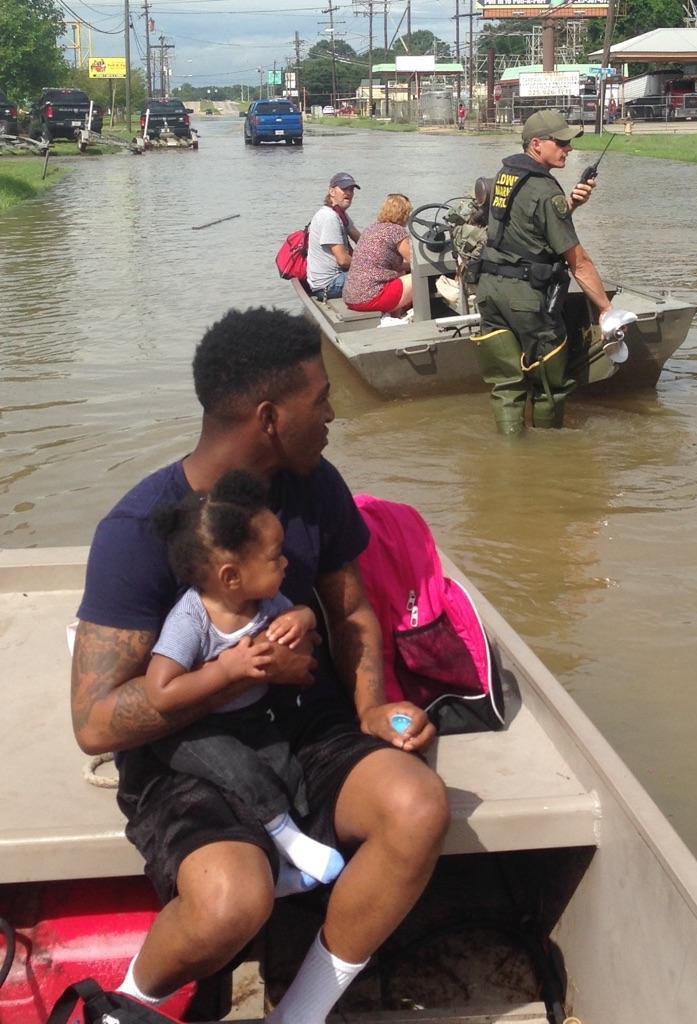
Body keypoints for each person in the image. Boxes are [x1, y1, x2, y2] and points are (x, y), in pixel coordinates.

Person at [71, 306, 450, 1017]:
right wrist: (233, 675)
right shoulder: (138, 531)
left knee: (418, 805)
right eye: (321, 399)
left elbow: (351, 612)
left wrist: (371, 706)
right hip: (190, 757)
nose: (333, 414)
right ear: (270, 419)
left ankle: (301, 1012)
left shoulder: (315, 485)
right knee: (229, 903)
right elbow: (95, 722)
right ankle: (126, 1001)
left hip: (308, 730)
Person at [145, 468, 343, 895]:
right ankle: (290, 842)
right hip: (196, 731)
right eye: (275, 557)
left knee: (285, 771)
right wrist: (226, 670)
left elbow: (303, 623)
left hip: (253, 719)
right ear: (231, 576)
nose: (286, 562)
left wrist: (304, 616)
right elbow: (159, 692)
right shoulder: (191, 619)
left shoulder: (267, 602)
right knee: (242, 770)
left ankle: (281, 867)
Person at [474, 108, 614, 432]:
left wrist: (571, 205)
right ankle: (549, 454)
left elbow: (525, 229)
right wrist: (606, 309)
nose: (568, 149)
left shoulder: (505, 175)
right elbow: (578, 262)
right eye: (561, 143)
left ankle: (509, 451)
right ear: (537, 144)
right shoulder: (546, 190)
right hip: (526, 297)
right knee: (549, 385)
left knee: (506, 384)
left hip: (490, 290)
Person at [342, 193, 413, 316]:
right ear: (404, 213)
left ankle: (395, 319)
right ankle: (423, 317)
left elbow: (393, 266)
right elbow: (415, 262)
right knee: (418, 279)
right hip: (370, 298)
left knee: (399, 273)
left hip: (351, 298)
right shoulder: (397, 231)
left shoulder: (371, 228)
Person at [306, 172, 362, 300]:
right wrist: (372, 265)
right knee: (385, 274)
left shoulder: (339, 214)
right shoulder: (329, 217)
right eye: (344, 189)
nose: (348, 193)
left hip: (336, 278)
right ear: (331, 191)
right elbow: (343, 260)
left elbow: (362, 240)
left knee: (384, 269)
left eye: (351, 190)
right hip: (329, 285)